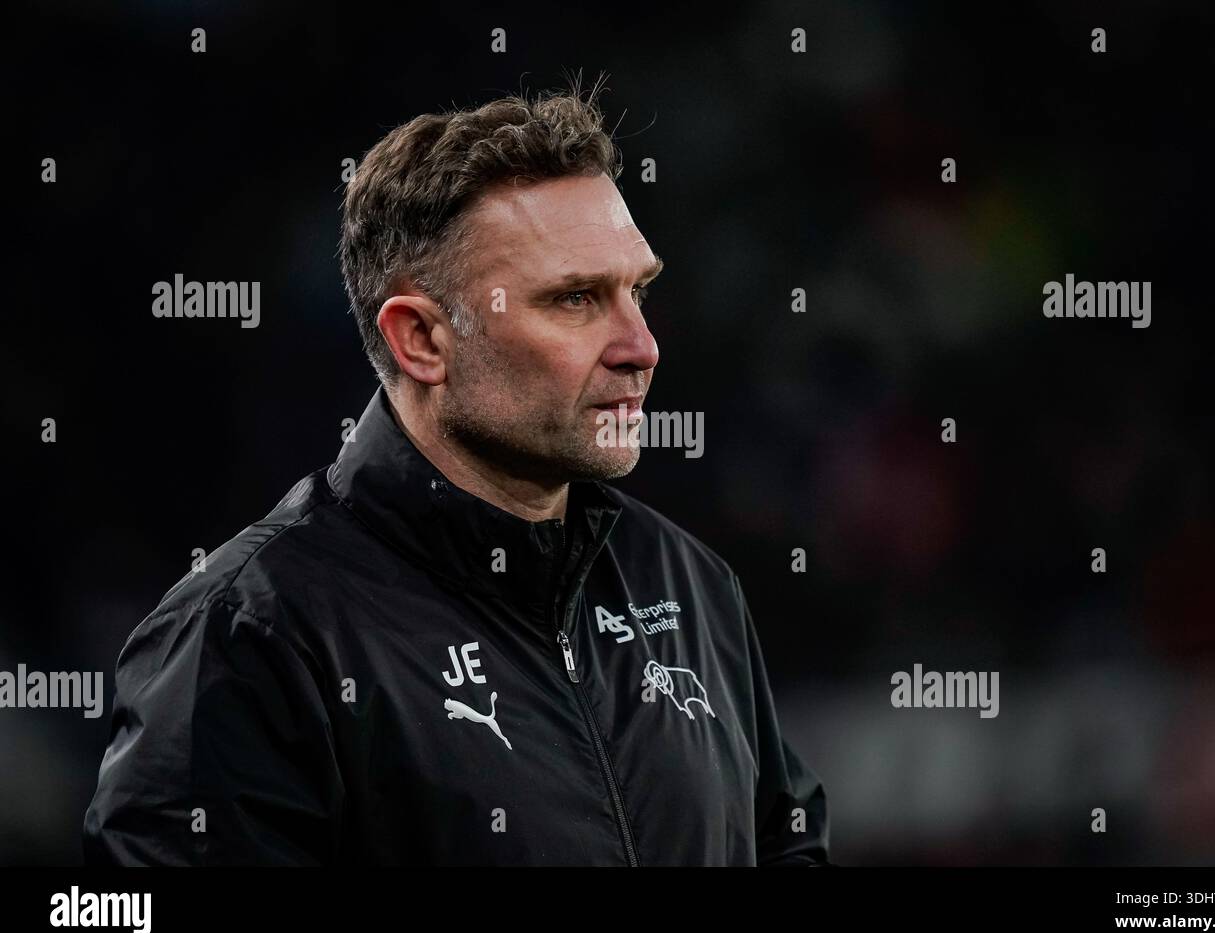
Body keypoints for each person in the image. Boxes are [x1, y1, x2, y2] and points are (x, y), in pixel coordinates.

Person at [83, 83, 832, 865]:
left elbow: (789, 843)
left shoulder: (686, 584)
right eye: (575, 299)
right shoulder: (250, 635)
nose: (641, 346)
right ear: (422, 341)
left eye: (637, 290)